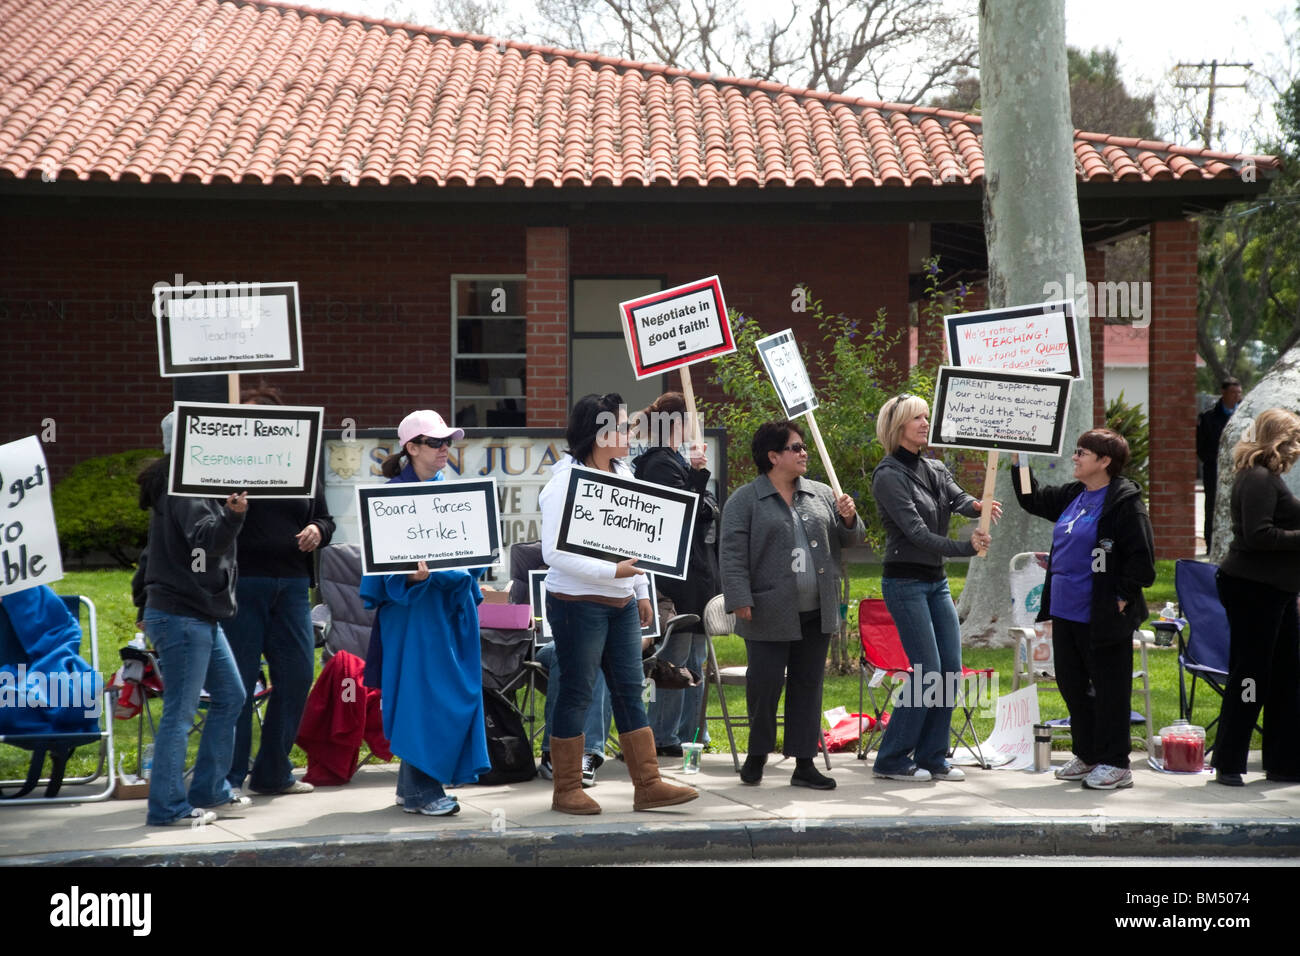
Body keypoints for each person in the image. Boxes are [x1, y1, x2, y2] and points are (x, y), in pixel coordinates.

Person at [539, 392, 698, 814]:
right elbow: (554, 553)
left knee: (630, 690)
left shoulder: (625, 474)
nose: (631, 433)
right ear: (598, 432)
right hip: (576, 605)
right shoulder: (563, 483)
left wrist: (641, 592)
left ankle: (648, 784)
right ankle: (567, 788)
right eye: (623, 427)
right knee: (577, 692)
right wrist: (613, 574)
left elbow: (638, 542)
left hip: (622, 605)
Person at [721, 419, 864, 789]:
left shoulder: (820, 493)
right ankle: (757, 755)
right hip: (767, 610)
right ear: (773, 456)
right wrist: (739, 599)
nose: (804, 454)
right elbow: (732, 555)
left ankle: (804, 762)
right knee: (765, 684)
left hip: (817, 610)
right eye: (795, 448)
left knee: (808, 684)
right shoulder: (744, 500)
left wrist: (849, 518)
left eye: (803, 447)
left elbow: (851, 539)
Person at [360, 410, 490, 816]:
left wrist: (473, 564)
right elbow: (379, 580)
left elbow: (478, 557)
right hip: (411, 613)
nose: (444, 449)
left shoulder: (454, 493)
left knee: (453, 693)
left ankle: (410, 788)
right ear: (411, 447)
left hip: (452, 611)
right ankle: (421, 791)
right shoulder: (387, 497)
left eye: (448, 441)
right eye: (435, 442)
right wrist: (412, 580)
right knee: (419, 696)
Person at [1013, 428, 1155, 791]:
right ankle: (1089, 754)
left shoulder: (1124, 502)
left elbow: (1142, 560)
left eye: (1082, 453)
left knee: (1110, 689)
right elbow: (1033, 499)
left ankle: (1116, 763)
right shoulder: (1076, 494)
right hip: (1066, 610)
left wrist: (1121, 598)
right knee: (1074, 686)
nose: (1075, 458)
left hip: (1103, 614)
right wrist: (1020, 458)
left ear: (1105, 461)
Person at [133, 412, 250, 826]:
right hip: (183, 615)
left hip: (192, 612)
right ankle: (167, 807)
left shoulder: (179, 483)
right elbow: (207, 540)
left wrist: (141, 603)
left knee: (232, 696)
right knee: (179, 715)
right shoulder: (183, 487)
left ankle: (209, 788)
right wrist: (233, 515)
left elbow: (150, 556)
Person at [870, 395, 994, 783]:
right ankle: (891, 758)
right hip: (904, 582)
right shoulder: (888, 475)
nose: (926, 423)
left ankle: (933, 756)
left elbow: (957, 498)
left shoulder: (935, 467)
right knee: (928, 672)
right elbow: (918, 534)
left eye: (927, 417)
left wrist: (978, 505)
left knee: (950, 672)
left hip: (936, 583)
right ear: (897, 427)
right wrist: (965, 548)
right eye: (917, 418)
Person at [223, 383, 334, 796]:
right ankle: (229, 777)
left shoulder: (299, 464)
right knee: (240, 680)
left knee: (296, 674)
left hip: (290, 584)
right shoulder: (225, 463)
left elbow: (325, 517)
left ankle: (273, 771)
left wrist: (315, 530)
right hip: (242, 582)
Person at [1211, 407, 1300, 786]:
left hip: (1277, 589)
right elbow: (1257, 536)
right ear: (1282, 439)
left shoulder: (1268, 478)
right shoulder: (1259, 478)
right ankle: (1230, 760)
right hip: (1253, 588)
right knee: (1250, 674)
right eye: (1296, 438)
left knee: (1286, 675)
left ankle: (1283, 762)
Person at [632, 392, 720, 756]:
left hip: (696, 572)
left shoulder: (676, 462)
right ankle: (666, 736)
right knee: (673, 661)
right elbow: (683, 512)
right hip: (677, 577)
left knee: (695, 658)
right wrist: (698, 478)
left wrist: (698, 478)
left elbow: (708, 508)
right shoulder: (658, 464)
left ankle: (691, 734)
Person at [1197, 378, 1243, 551]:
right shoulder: (1208, 417)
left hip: (1240, 470)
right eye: (1233, 392)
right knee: (1212, 507)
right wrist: (1215, 460)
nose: (1236, 396)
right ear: (1223, 393)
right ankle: (1211, 545)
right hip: (1214, 471)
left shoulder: (1245, 415)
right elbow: (1201, 446)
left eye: (1239, 393)